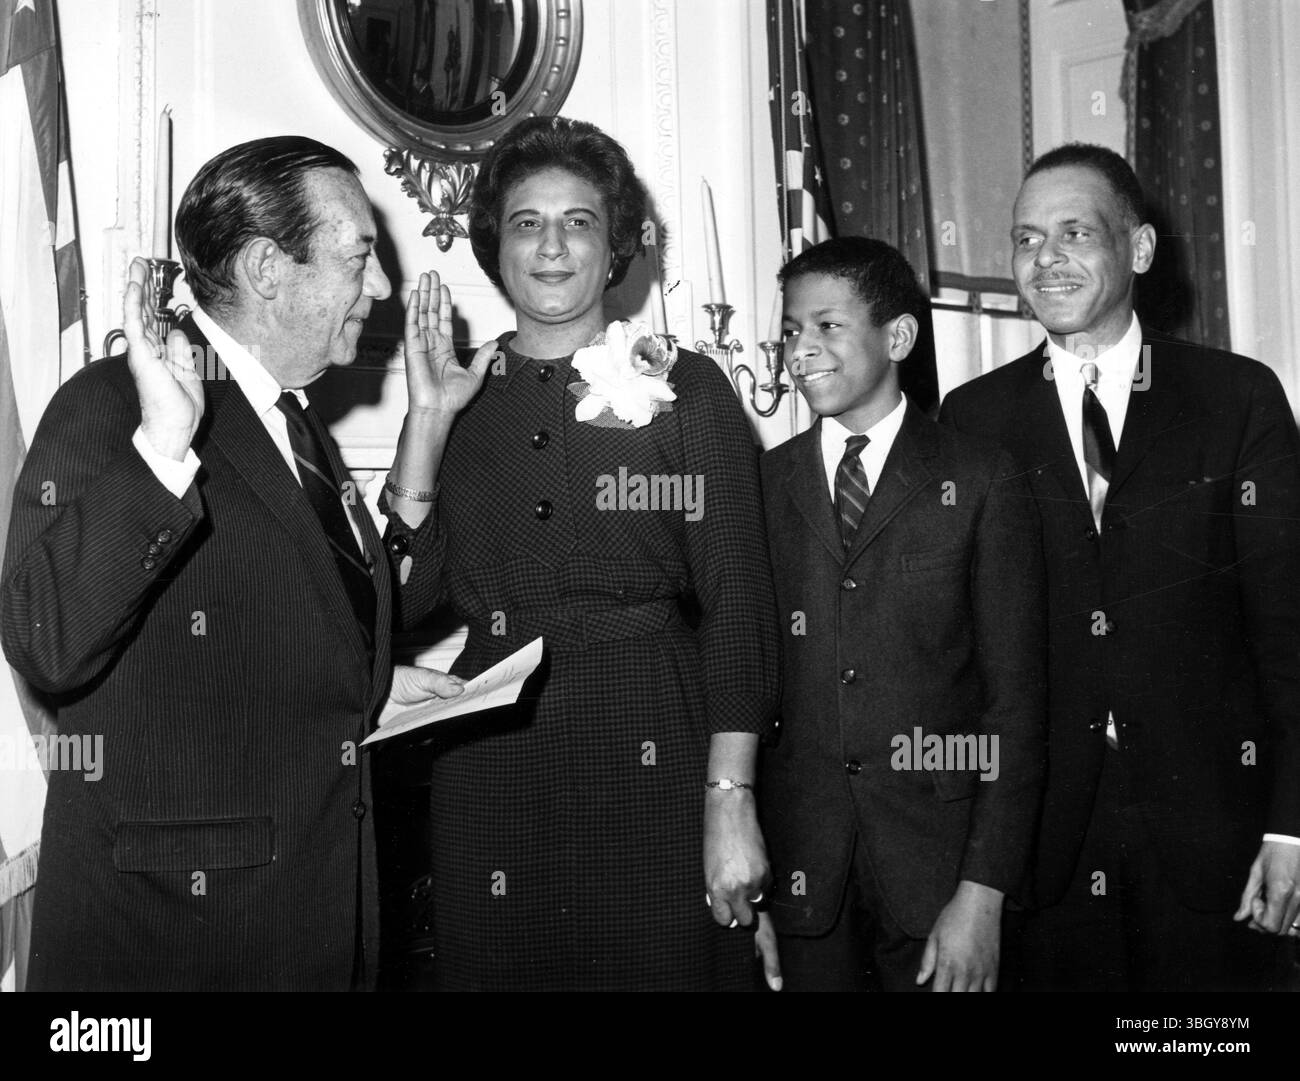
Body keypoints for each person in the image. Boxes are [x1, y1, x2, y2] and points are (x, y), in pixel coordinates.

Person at [1, 136, 460, 991]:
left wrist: (361, 674)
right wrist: (162, 447)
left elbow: (350, 607)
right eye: (359, 256)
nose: (384, 286)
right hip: (177, 939)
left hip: (315, 921)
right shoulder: (113, 405)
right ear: (266, 267)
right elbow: (43, 639)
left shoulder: (294, 423)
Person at [384, 115, 779, 990]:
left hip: (657, 744)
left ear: (616, 249)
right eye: (527, 222)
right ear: (497, 248)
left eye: (579, 221)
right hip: (492, 762)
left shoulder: (687, 386)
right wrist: (425, 422)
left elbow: (741, 603)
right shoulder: (457, 394)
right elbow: (399, 606)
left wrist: (731, 799)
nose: (552, 246)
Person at [940, 143, 1300, 991]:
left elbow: (1290, 633)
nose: (1046, 259)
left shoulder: (1236, 397)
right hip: (1045, 849)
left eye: (1074, 233)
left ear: (1137, 250)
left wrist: (1292, 828)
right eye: (1027, 239)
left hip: (1217, 839)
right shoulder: (973, 416)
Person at [752, 237, 1046, 991]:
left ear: (899, 337)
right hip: (801, 877)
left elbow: (1015, 705)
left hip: (940, 874)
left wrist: (982, 893)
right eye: (790, 330)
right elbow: (741, 683)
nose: (800, 350)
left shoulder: (979, 477)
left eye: (827, 326)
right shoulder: (760, 485)